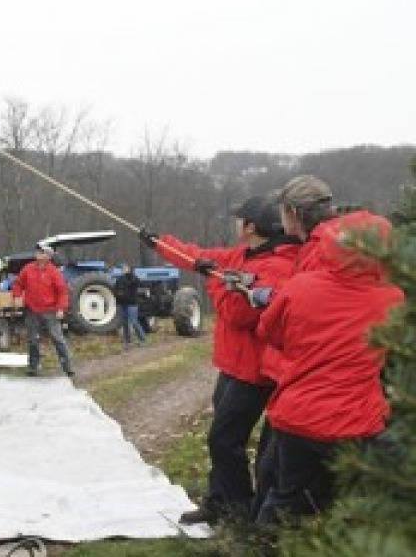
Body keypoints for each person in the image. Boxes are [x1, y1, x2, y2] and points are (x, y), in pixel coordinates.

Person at [139, 194, 301, 524]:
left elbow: (238, 313)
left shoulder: (277, 266)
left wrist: (213, 282)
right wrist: (160, 243)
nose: (235, 223)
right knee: (222, 439)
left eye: (239, 218)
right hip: (232, 366)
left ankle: (239, 507)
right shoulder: (242, 255)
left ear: (251, 226)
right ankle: (218, 501)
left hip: (255, 372)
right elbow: (197, 256)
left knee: (224, 440)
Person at [254, 211, 403, 524]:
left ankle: (261, 543)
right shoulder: (392, 300)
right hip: (356, 422)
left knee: (286, 497)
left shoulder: (300, 287)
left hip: (297, 417)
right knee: (357, 505)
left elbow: (267, 333)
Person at [11, 245, 74, 378]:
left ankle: (67, 366)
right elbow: (18, 284)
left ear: (48, 256)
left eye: (41, 252)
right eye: (38, 252)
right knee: (33, 340)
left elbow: (62, 292)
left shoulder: (54, 272)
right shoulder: (28, 269)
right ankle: (33, 366)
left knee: (58, 339)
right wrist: (16, 295)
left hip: (50, 311)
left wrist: (61, 309)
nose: (38, 254)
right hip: (32, 310)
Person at [112, 263, 146, 350]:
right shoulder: (119, 279)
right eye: (123, 268)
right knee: (125, 324)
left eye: (125, 268)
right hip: (122, 304)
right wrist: (118, 295)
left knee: (134, 322)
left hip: (132, 304)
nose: (123, 269)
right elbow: (115, 290)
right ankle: (127, 342)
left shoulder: (133, 278)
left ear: (129, 269)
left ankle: (142, 339)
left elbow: (138, 283)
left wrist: (130, 275)